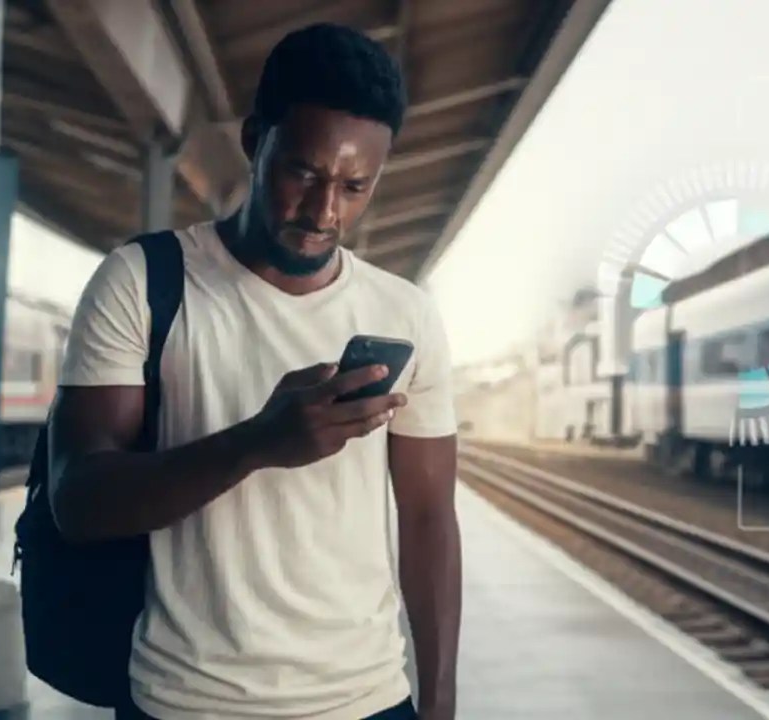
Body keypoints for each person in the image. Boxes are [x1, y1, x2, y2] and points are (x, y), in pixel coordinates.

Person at [47, 22, 461, 720]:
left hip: (365, 700)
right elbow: (78, 503)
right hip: (184, 702)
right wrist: (256, 443)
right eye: (304, 172)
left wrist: (441, 706)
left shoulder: (405, 313)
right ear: (253, 140)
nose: (325, 211)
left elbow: (427, 520)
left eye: (355, 186)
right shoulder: (142, 282)